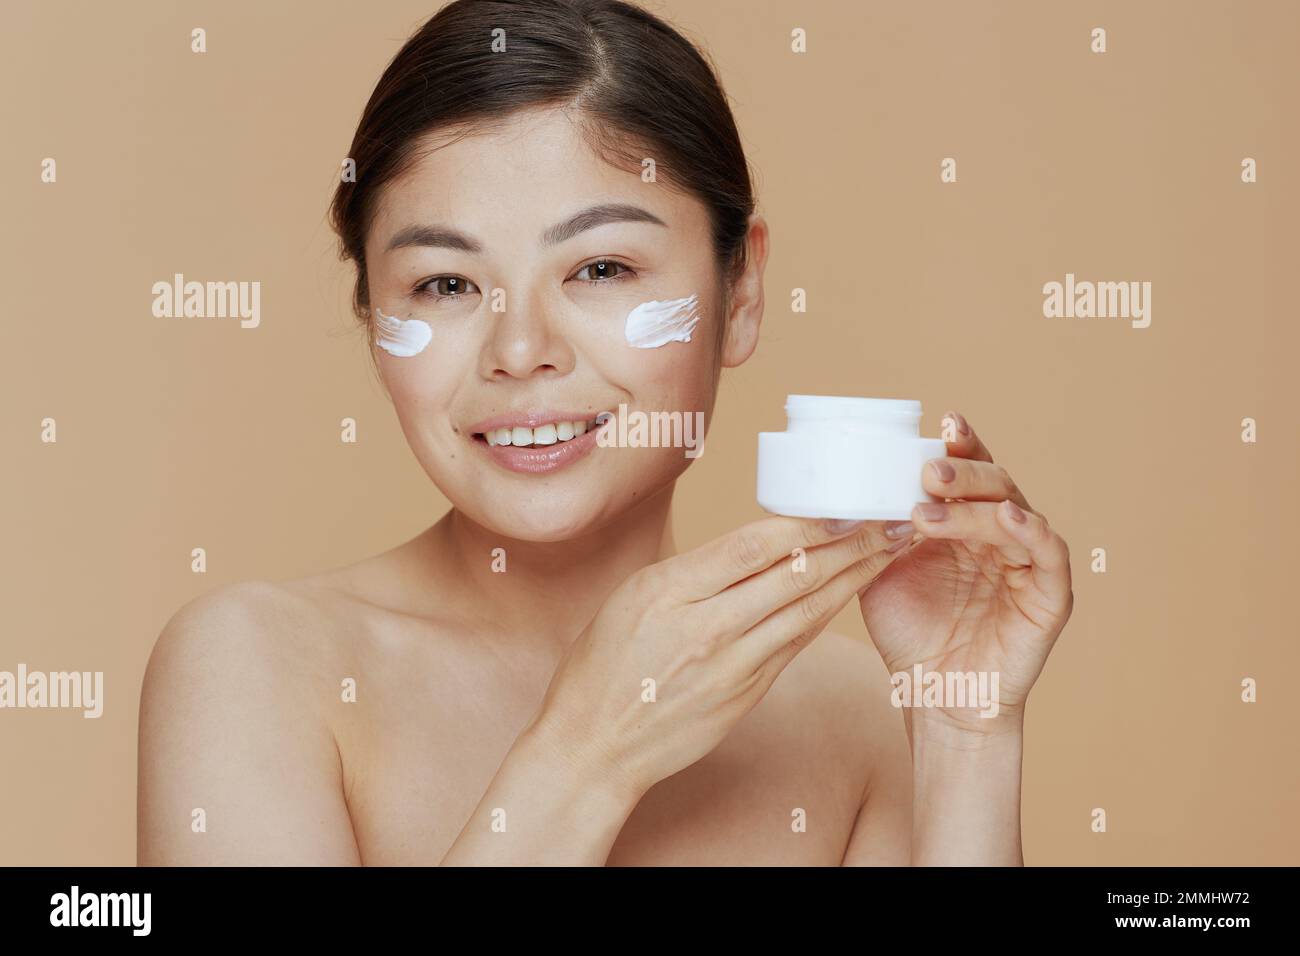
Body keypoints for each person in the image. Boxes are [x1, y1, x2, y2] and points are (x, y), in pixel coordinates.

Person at [138, 0, 1072, 866]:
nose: (519, 349)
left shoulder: (854, 720)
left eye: (601, 268)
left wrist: (965, 733)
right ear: (372, 314)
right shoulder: (257, 671)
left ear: (740, 292)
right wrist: (590, 751)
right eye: (446, 284)